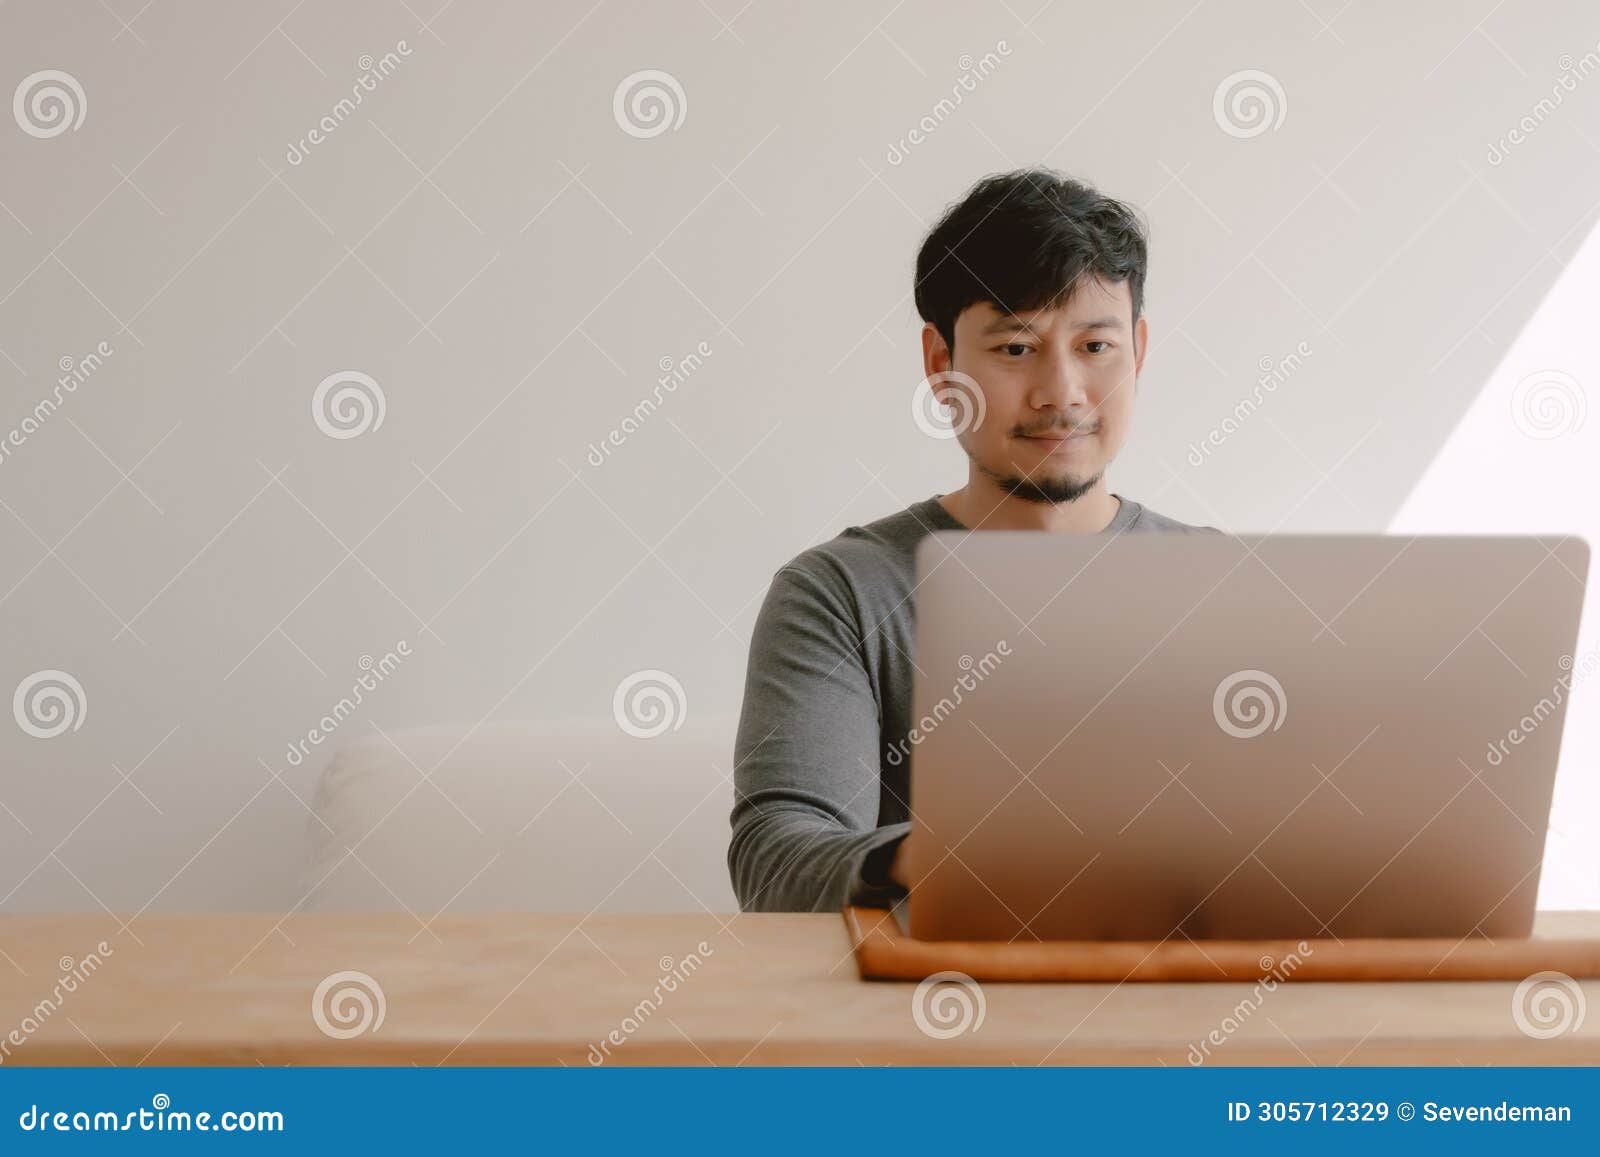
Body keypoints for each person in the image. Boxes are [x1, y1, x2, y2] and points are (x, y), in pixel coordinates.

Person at [727, 168, 1221, 912]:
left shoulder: (1224, 585)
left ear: (1139, 351)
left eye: (1095, 346)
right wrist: (944, 853)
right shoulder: (842, 593)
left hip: (1186, 1011)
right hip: (932, 1016)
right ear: (940, 363)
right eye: (1016, 349)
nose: (1063, 391)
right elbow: (776, 861)